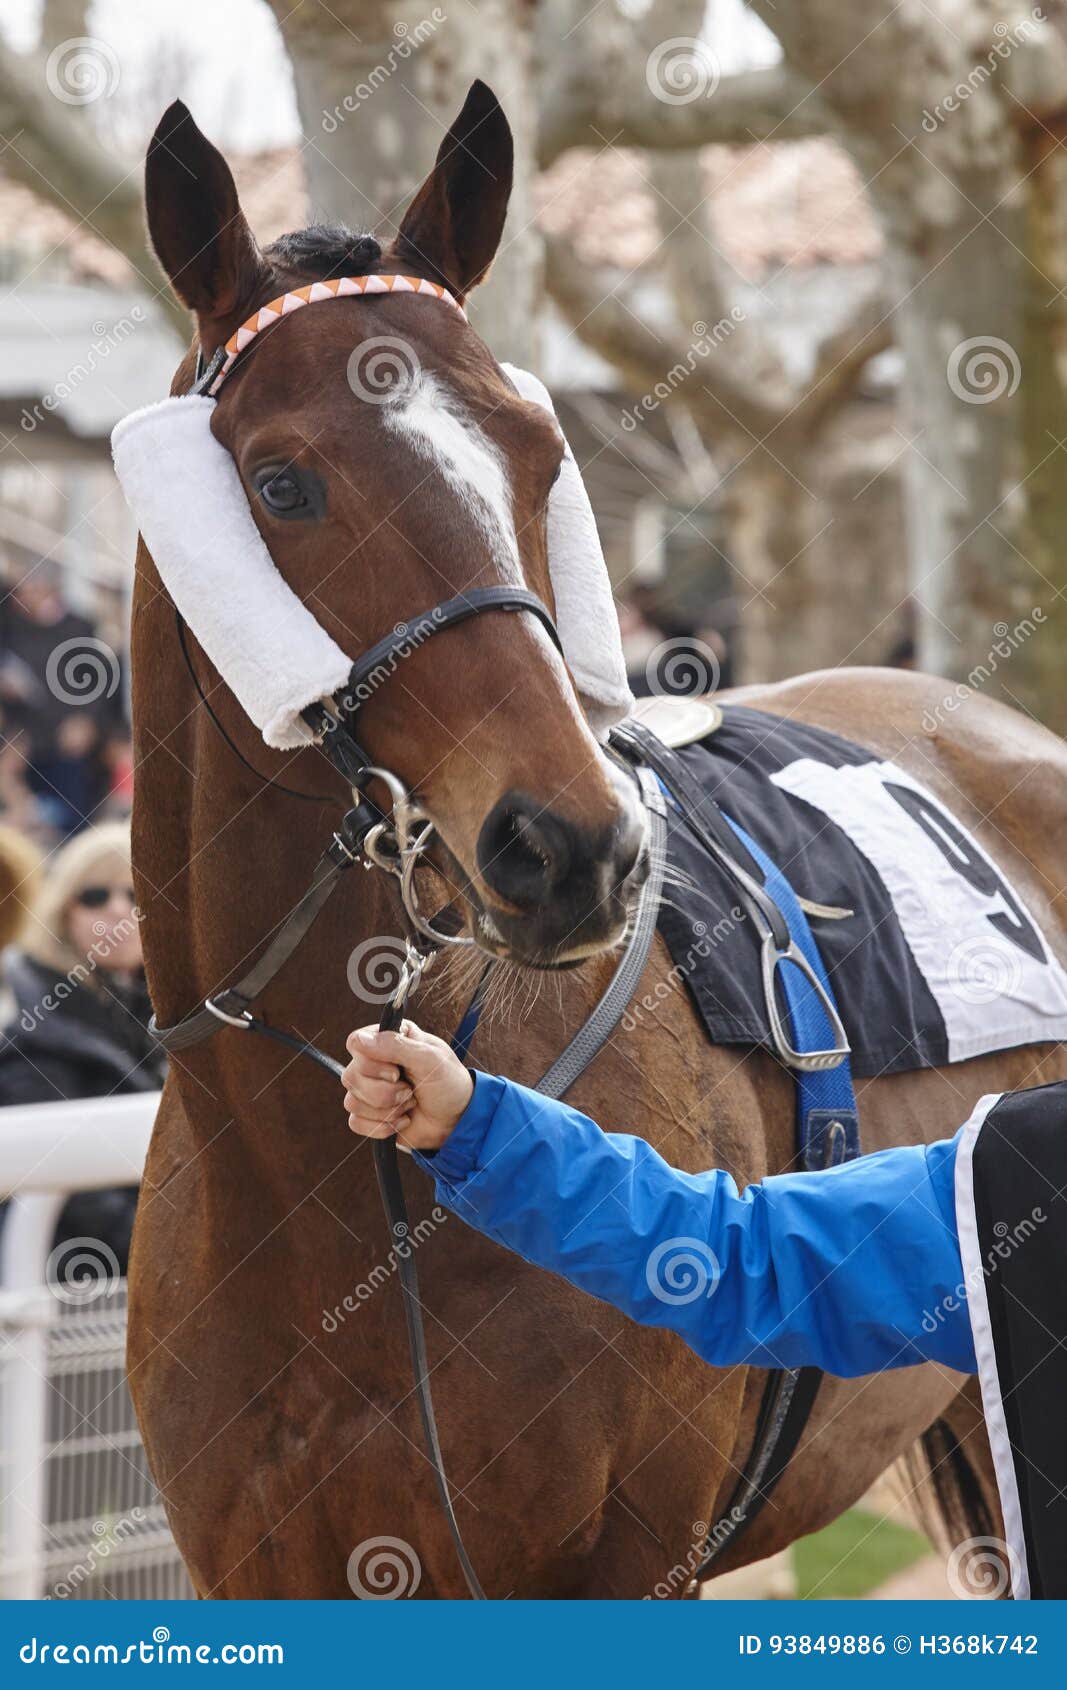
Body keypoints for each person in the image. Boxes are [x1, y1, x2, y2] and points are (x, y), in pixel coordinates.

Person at [341, 1019, 1067, 1598]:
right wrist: (476, 1124)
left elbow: (742, 1262)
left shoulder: (1029, 1168)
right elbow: (744, 1260)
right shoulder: (1026, 1173)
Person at [0, 822, 164, 1277]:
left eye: (135, 895)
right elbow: (74, 1192)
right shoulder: (31, 1033)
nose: (118, 909)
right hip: (78, 1300)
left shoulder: (174, 1015)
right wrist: (174, 1251)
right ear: (61, 912)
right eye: (95, 895)